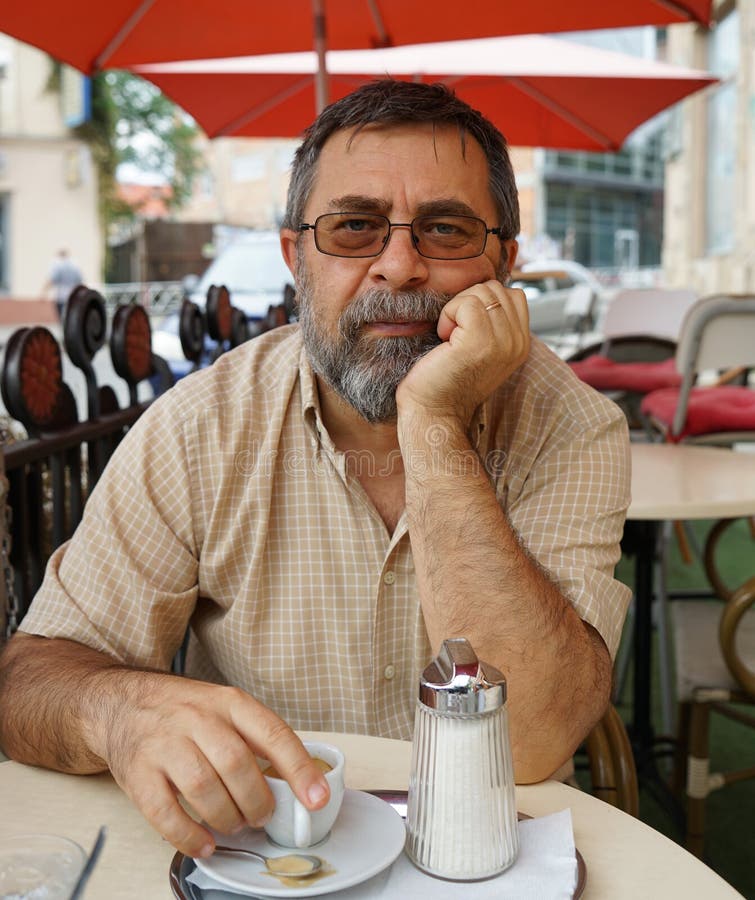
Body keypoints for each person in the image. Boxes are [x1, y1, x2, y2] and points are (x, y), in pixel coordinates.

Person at [0, 81, 631, 859]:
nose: (398, 267)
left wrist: (429, 421)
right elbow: (27, 681)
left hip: (486, 860)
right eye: (354, 226)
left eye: (445, 229)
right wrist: (117, 709)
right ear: (295, 257)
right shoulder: (199, 426)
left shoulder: (572, 425)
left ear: (504, 262)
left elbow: (529, 737)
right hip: (260, 858)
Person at [43, 248, 83, 321]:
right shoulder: (75, 266)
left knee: (62, 319)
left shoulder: (58, 265)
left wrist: (44, 292)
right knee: (71, 319)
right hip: (73, 296)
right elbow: (80, 282)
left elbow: (51, 280)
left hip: (61, 296)